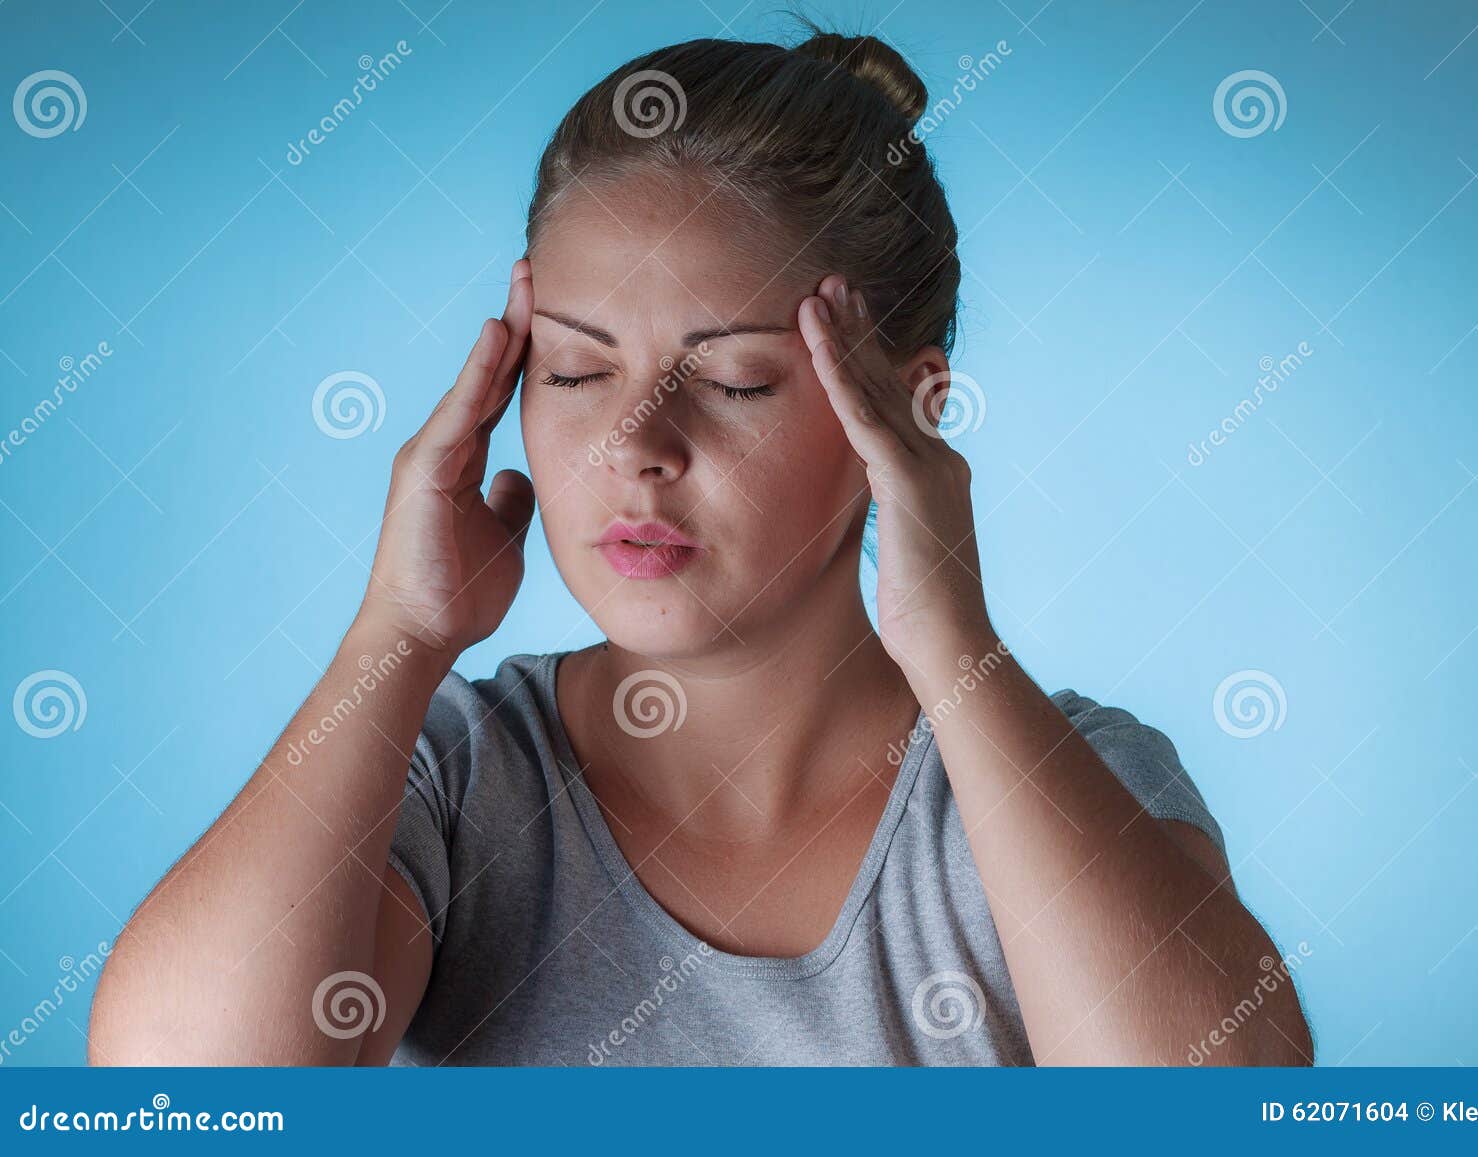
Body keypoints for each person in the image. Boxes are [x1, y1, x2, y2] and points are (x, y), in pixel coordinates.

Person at [88, 28, 1312, 1066]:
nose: (635, 443)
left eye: (732, 382)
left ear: (908, 410)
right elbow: (181, 1100)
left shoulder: (1066, 778)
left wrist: (956, 650)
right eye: (576, 370)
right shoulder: (458, 778)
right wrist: (395, 638)